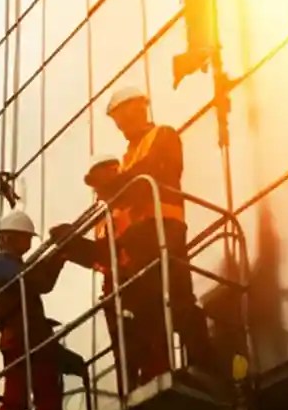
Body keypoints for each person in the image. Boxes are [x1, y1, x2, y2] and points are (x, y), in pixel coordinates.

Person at [97, 85, 215, 382]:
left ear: (139, 108)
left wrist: (123, 186)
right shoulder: (128, 156)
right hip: (141, 237)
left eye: (122, 119)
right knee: (149, 306)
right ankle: (159, 371)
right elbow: (125, 194)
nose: (121, 128)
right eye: (117, 124)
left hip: (167, 228)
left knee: (179, 299)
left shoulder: (163, 135)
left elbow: (157, 172)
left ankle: (207, 362)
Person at [50, 155, 141, 393]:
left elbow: (117, 250)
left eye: (99, 185)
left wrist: (77, 246)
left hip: (135, 281)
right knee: (123, 351)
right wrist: (73, 248)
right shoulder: (104, 219)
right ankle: (128, 390)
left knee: (145, 342)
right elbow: (101, 258)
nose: (98, 194)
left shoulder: (132, 207)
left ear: (113, 173)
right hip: (114, 287)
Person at [0, 210, 65, 410]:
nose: (28, 242)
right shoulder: (1, 263)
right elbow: (36, 281)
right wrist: (58, 254)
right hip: (20, 336)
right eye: (26, 237)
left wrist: (59, 254)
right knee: (17, 393)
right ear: (9, 237)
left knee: (46, 389)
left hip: (31, 335)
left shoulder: (15, 266)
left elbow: (41, 281)